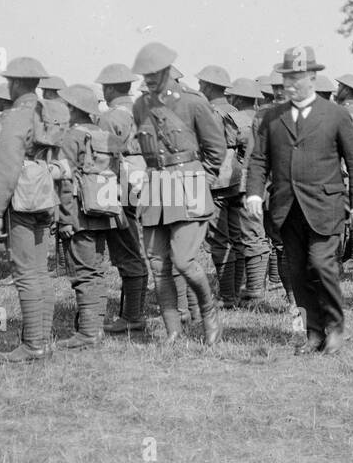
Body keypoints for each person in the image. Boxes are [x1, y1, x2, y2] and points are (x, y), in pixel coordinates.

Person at [246, 46, 353, 355]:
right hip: (287, 208)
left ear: (312, 78)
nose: (290, 83)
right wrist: (254, 192)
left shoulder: (336, 115)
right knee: (297, 271)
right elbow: (259, 160)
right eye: (287, 77)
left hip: (325, 207)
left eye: (297, 77)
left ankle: (335, 327)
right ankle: (313, 332)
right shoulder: (272, 117)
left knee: (322, 265)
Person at [129, 42, 226, 345]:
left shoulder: (192, 103)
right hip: (156, 187)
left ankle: (209, 313)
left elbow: (216, 149)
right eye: (145, 75)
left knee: (184, 261)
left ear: (168, 71)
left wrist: (201, 180)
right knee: (158, 264)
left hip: (189, 184)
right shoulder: (140, 106)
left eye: (154, 74)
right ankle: (173, 330)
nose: (149, 80)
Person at [0, 57, 55, 362]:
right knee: (40, 271)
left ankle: (33, 344)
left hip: (22, 196)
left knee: (25, 273)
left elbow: (7, 166)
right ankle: (44, 340)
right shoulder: (47, 112)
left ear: (16, 84)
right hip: (45, 193)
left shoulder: (16, 116)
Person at [54, 84, 127, 348]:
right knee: (96, 271)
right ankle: (92, 327)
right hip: (104, 210)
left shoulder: (72, 136)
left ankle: (88, 332)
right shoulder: (102, 133)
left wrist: (64, 217)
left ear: (73, 109)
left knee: (84, 273)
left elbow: (64, 179)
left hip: (78, 212)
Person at [95, 63, 150, 332]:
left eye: (105, 87)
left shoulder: (109, 118)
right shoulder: (143, 110)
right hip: (145, 181)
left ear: (111, 88)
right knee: (134, 246)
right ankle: (133, 313)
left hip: (119, 183)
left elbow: (102, 158)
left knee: (126, 248)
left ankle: (132, 316)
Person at [198, 65, 248, 308]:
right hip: (236, 175)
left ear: (208, 86)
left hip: (217, 177)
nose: (199, 88)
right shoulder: (235, 111)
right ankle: (235, 291)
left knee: (219, 238)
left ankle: (227, 296)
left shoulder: (210, 112)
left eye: (201, 84)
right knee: (236, 235)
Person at [223, 77, 270, 302]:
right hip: (271, 182)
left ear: (237, 98)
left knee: (251, 234)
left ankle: (253, 290)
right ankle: (267, 283)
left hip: (248, 180)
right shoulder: (267, 116)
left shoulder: (236, 120)